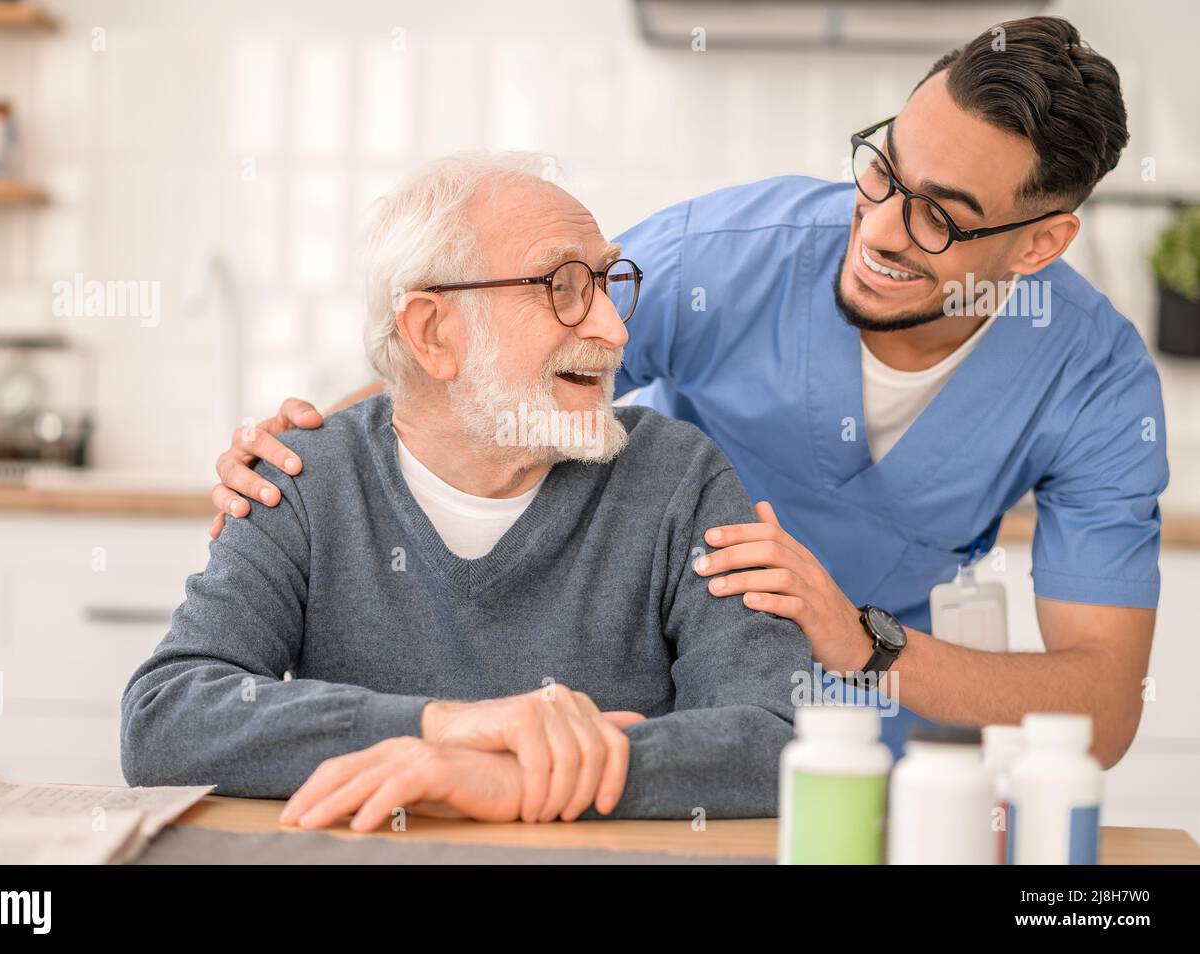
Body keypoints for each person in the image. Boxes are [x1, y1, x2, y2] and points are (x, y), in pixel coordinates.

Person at [209, 16, 1166, 766]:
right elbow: (497, 348)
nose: (875, 227)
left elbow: (1103, 705)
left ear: (1038, 246)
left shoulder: (1092, 379)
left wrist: (864, 645)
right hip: (657, 706)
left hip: (861, 727)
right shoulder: (727, 260)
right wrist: (306, 454)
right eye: (882, 167)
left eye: (939, 220)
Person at [121, 153, 811, 831]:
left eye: (606, 282)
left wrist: (509, 780)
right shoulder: (304, 482)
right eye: (563, 287)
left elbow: (776, 735)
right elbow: (167, 718)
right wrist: (444, 728)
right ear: (432, 333)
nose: (615, 328)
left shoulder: (677, 475)